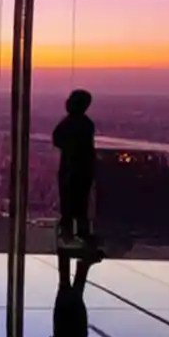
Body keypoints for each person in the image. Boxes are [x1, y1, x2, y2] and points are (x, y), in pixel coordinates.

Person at [52, 89, 96, 249]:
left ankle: (69, 236)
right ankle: (77, 236)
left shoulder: (73, 123)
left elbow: (57, 138)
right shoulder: (84, 123)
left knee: (71, 205)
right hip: (80, 170)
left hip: (73, 170)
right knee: (78, 206)